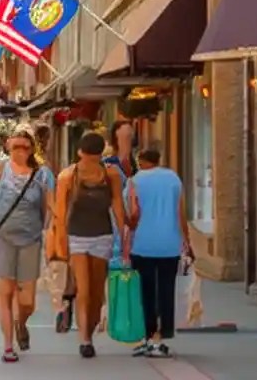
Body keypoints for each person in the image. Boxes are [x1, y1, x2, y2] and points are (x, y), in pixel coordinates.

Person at [0, 126, 55, 363]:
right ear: (7, 146)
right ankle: (8, 346)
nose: (19, 151)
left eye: (24, 147)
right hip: (2, 238)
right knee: (5, 293)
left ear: (31, 149)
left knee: (27, 301)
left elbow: (52, 208)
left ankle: (21, 322)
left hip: (31, 241)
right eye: (15, 146)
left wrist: (57, 234)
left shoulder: (43, 174)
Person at [53, 132, 129, 359]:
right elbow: (60, 212)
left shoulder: (111, 175)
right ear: (80, 154)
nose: (88, 161)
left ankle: (90, 328)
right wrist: (61, 244)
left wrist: (125, 235)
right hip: (77, 236)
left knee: (97, 292)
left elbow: (117, 204)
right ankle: (85, 339)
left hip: (102, 236)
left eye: (92, 156)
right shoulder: (68, 177)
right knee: (84, 289)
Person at [128, 145, 190, 359]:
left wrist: (127, 238)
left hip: (143, 244)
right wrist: (187, 242)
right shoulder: (173, 179)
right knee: (166, 291)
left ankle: (148, 338)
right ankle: (161, 340)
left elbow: (133, 213)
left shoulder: (135, 181)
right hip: (169, 244)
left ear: (141, 161)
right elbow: (181, 213)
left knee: (146, 293)